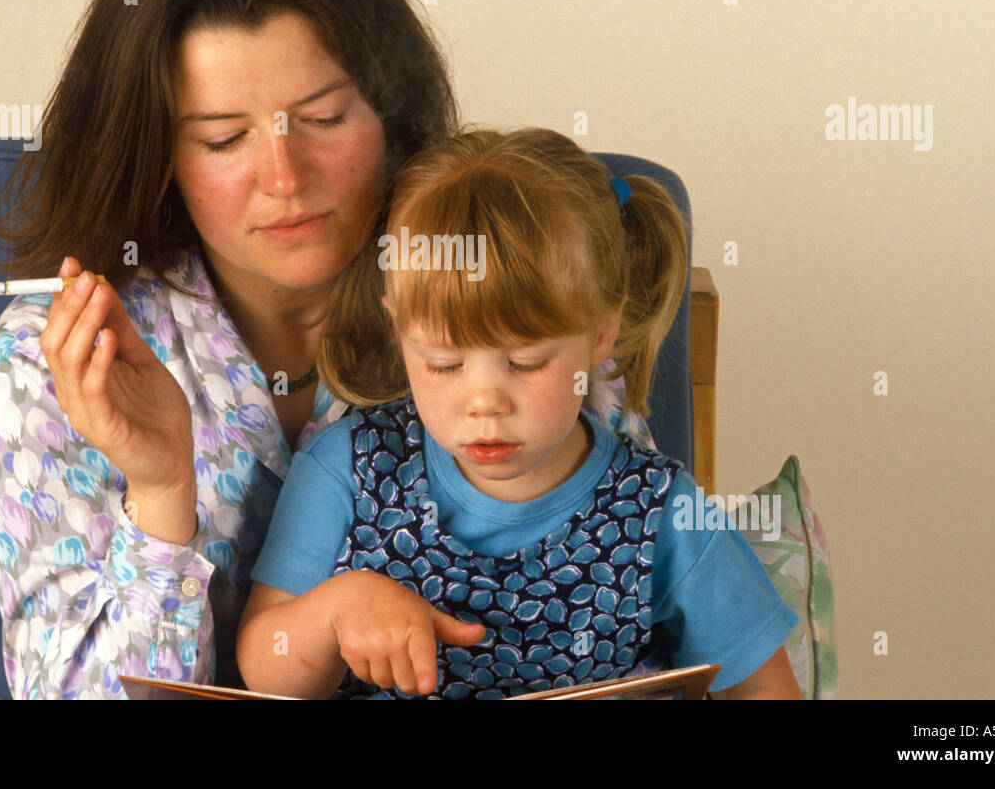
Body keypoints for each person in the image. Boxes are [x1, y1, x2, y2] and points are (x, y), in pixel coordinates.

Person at [0, 0, 651, 699]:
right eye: (225, 139)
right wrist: (159, 495)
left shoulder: (501, 281)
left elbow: (631, 604)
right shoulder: (51, 363)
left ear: (392, 114)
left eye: (326, 119)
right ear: (158, 154)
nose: (286, 178)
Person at [236, 127, 802, 699]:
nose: (485, 404)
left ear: (602, 331)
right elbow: (263, 666)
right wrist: (335, 610)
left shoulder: (664, 513)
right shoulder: (348, 469)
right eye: (443, 363)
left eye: (527, 363)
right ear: (398, 330)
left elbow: (763, 688)